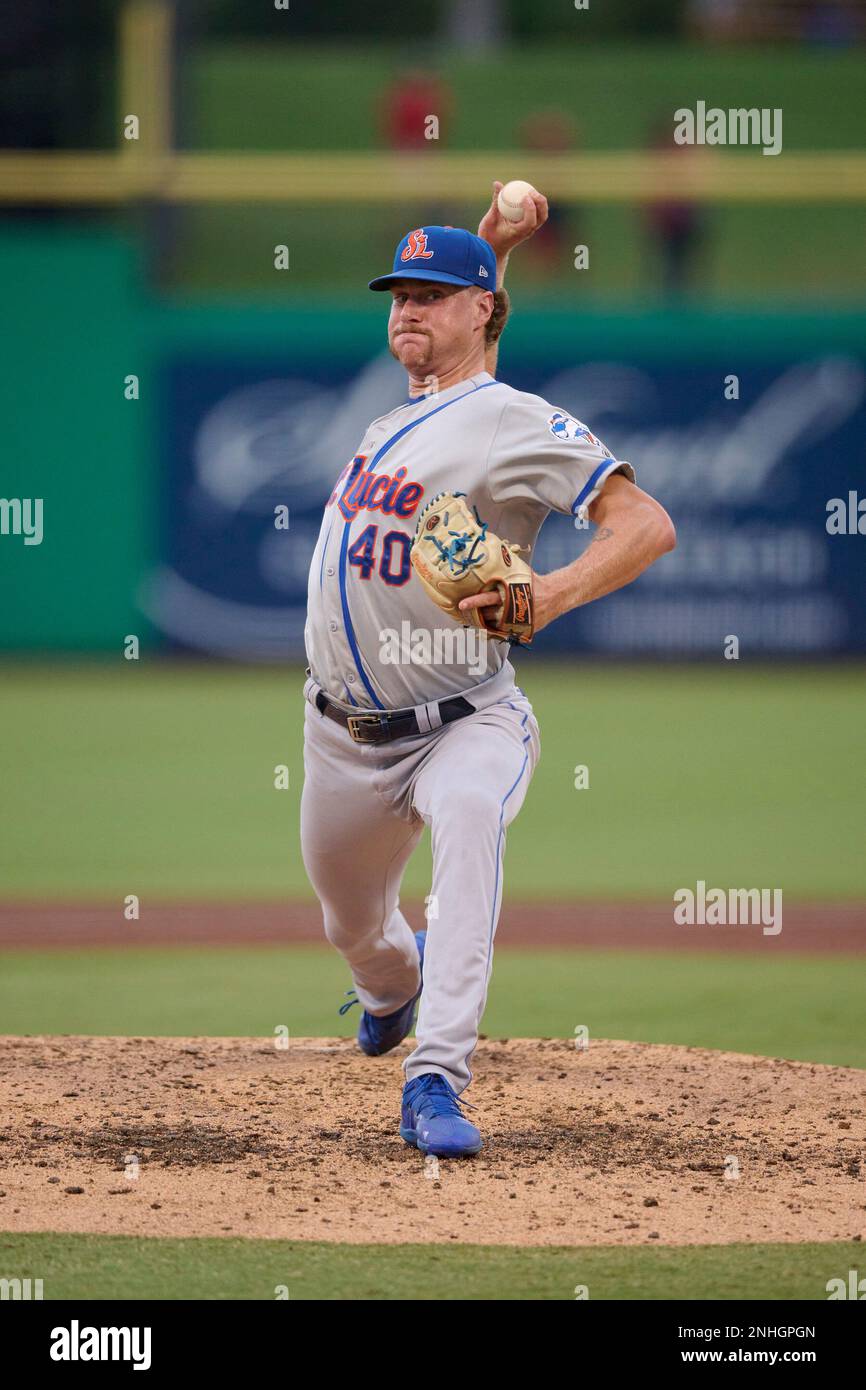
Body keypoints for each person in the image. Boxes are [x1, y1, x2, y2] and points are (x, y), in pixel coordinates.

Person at [301, 184, 675, 1158]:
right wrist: (492, 245)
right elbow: (471, 361)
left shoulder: (513, 421)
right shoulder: (407, 417)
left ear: (478, 310)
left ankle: (435, 1076)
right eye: (398, 292)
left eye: (431, 291)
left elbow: (645, 524)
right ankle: (392, 991)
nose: (407, 307)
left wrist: (547, 597)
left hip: (465, 718)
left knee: (466, 819)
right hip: (340, 738)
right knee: (356, 929)